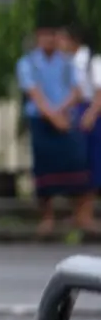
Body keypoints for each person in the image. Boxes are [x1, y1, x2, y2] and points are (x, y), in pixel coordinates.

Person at [16, 24, 93, 235]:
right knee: (44, 169)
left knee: (77, 166)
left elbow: (77, 91)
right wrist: (52, 116)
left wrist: (60, 112)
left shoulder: (67, 62)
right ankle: (47, 218)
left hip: (66, 118)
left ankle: (80, 217)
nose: (48, 40)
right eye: (44, 36)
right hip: (42, 120)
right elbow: (34, 93)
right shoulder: (28, 63)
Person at [63, 27, 101, 198]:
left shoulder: (92, 61)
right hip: (74, 111)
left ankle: (88, 208)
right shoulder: (67, 62)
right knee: (76, 162)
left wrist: (91, 113)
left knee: (91, 160)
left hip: (89, 110)